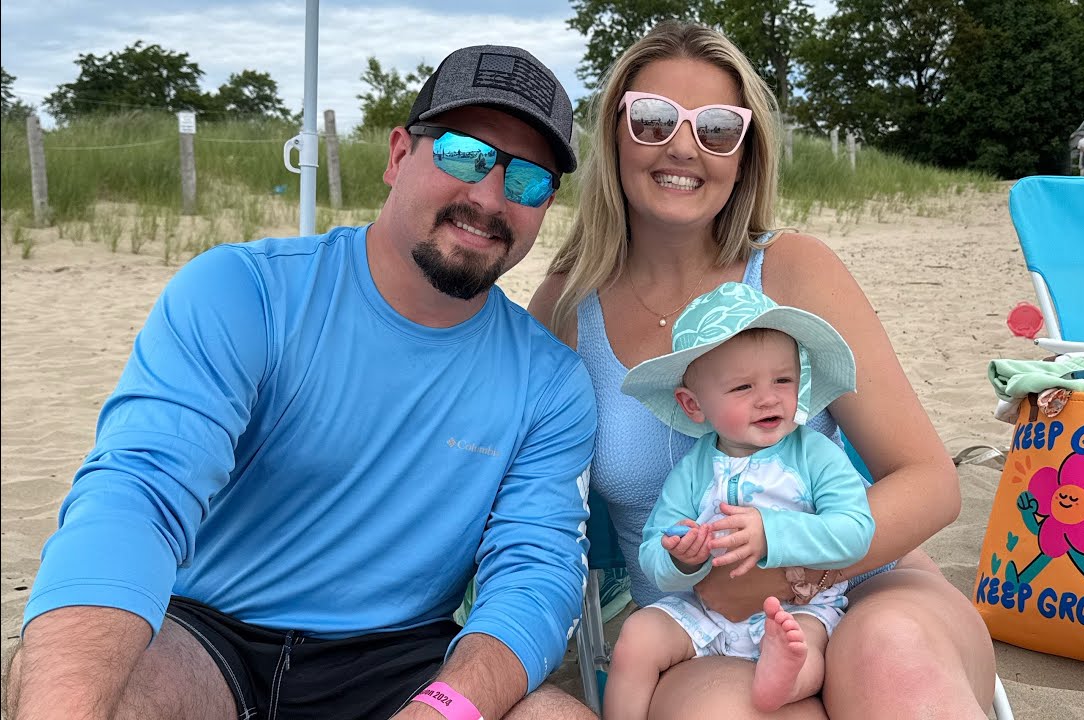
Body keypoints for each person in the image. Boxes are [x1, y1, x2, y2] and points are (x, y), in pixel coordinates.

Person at [6, 45, 598, 720]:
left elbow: (534, 575)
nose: (489, 196)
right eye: (464, 153)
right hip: (208, 636)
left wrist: (442, 711)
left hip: (401, 658)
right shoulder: (246, 292)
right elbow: (136, 495)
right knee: (86, 685)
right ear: (400, 154)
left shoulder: (549, 383)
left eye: (528, 181)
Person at [528, 20, 996, 718]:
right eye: (652, 120)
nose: (683, 145)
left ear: (744, 153)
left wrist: (795, 568)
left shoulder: (793, 271)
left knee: (896, 657)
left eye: (717, 127)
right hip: (701, 628)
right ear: (614, 134)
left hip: (863, 582)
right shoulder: (569, 306)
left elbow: (929, 483)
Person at [604, 282, 875, 718]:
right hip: (705, 611)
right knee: (637, 637)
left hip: (798, 606)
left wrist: (771, 533)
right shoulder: (693, 470)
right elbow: (654, 551)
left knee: (802, 645)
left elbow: (856, 532)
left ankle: (781, 680)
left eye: (783, 380)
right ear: (693, 405)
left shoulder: (813, 453)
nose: (768, 398)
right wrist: (683, 559)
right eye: (743, 387)